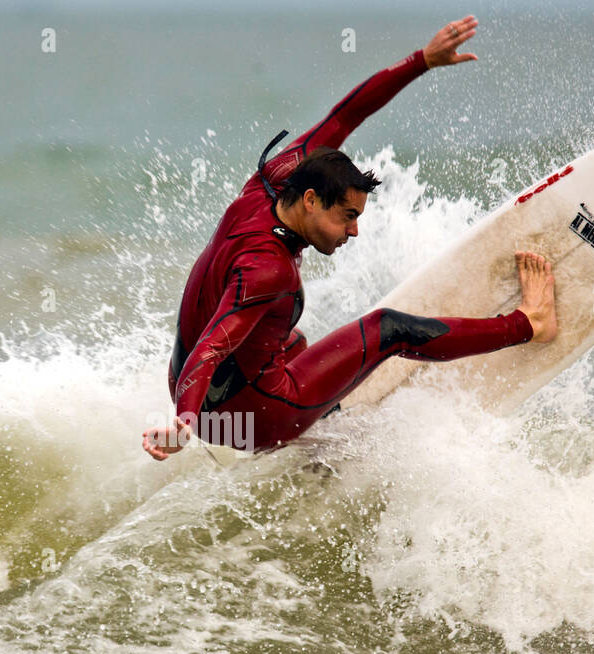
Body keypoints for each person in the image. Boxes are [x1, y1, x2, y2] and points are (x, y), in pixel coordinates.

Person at [142, 15, 557, 461]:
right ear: (311, 200)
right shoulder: (268, 270)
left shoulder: (267, 182)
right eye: (347, 216)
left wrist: (422, 61)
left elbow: (345, 115)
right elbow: (214, 344)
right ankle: (529, 324)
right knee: (388, 329)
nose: (354, 231)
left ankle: (316, 424)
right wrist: (183, 425)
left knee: (292, 339)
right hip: (248, 418)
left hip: (194, 388)